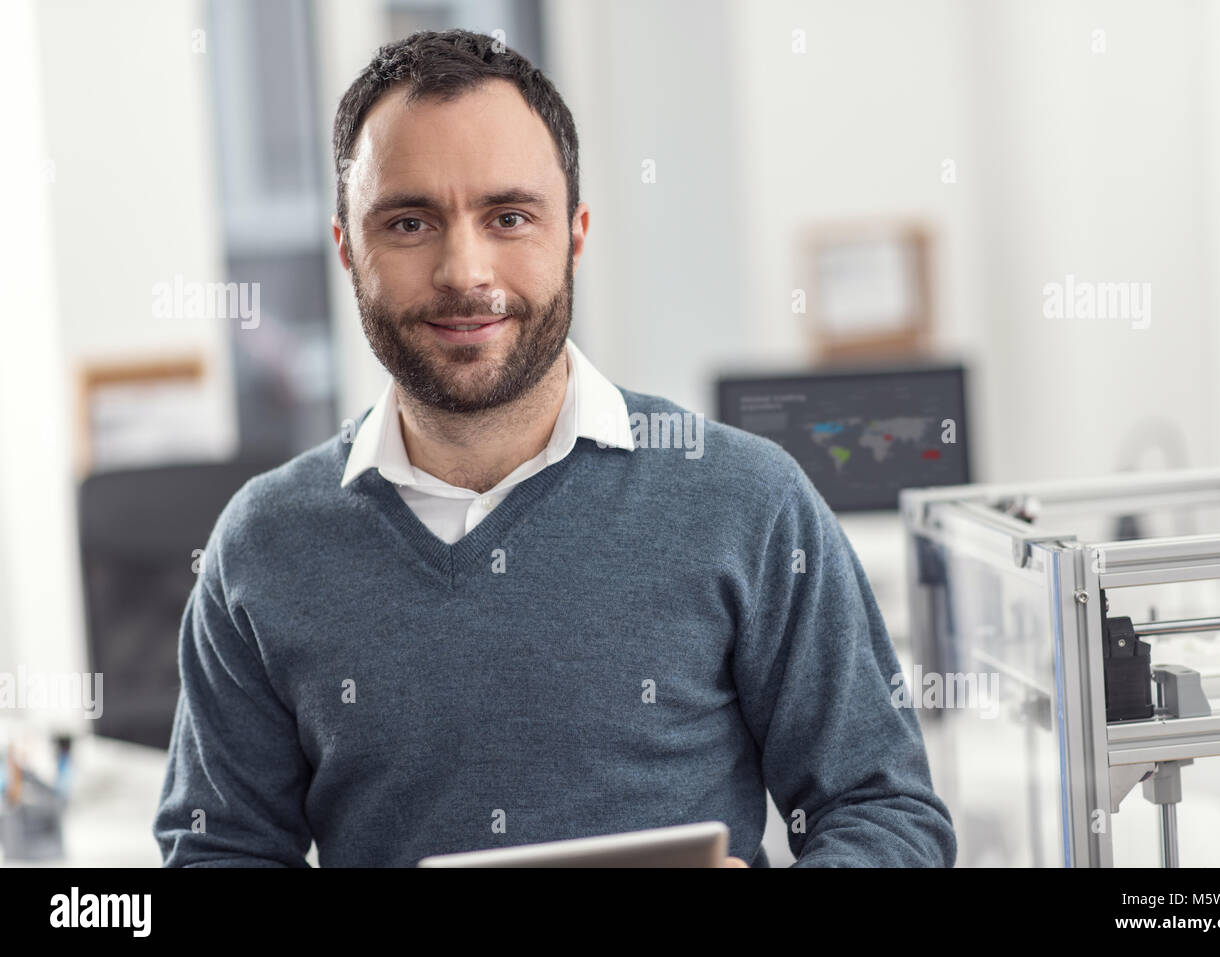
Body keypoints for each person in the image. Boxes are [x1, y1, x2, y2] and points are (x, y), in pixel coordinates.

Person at [153, 28, 957, 868]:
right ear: (348, 247)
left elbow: (885, 812)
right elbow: (219, 852)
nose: (465, 270)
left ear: (573, 233)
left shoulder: (749, 502)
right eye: (410, 221)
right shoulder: (262, 546)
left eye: (508, 216)